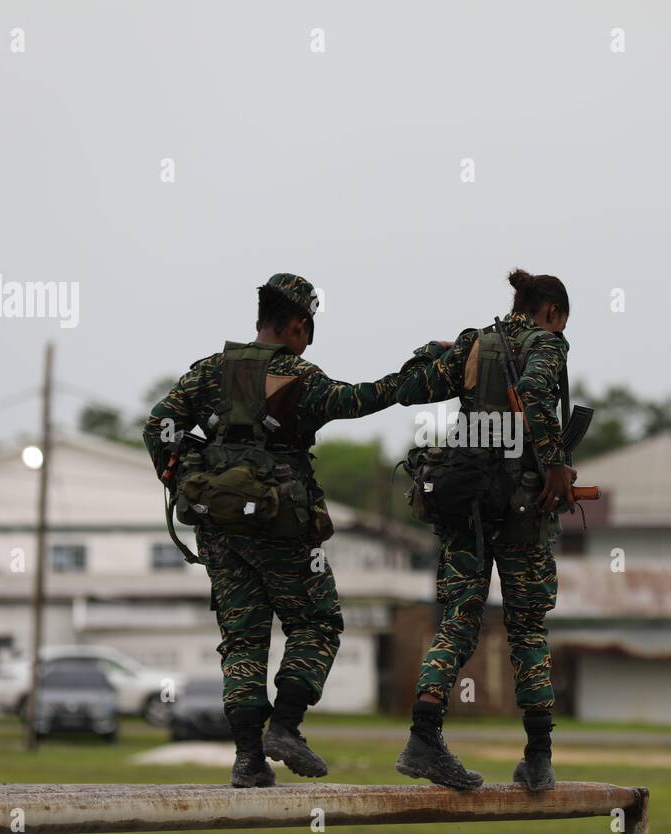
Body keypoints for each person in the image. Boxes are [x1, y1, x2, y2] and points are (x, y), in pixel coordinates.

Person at [143, 273, 418, 787]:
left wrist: (188, 476)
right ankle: (286, 727)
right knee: (317, 622)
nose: (308, 341)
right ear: (295, 324)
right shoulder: (300, 377)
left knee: (243, 641)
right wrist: (424, 371)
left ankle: (248, 759)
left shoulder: (211, 372)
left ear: (258, 321)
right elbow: (360, 399)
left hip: (220, 533)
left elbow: (158, 423)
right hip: (285, 531)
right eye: (307, 330)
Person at [394, 269, 576, 791]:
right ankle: (538, 758)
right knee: (527, 631)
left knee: (457, 622)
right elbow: (539, 398)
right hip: (522, 510)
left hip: (465, 504)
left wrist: (443, 354)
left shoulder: (476, 342)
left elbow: (416, 385)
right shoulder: (547, 343)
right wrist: (557, 465)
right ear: (552, 313)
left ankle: (423, 739)